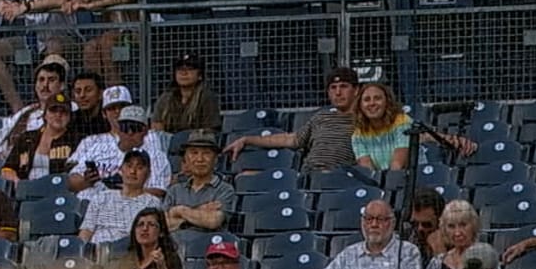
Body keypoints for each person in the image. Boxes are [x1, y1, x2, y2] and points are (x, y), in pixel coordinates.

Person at [223, 68, 358, 173]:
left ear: (356, 90)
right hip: (310, 178)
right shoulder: (321, 117)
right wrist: (247, 140)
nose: (338, 92)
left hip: (341, 178)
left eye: (344, 86)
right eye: (333, 88)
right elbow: (291, 139)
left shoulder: (363, 120)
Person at [317, 198, 427, 269]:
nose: (374, 225)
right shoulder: (348, 254)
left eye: (380, 219)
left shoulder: (407, 252)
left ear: (392, 223)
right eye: (369, 219)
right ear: (362, 222)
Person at [0, 91, 79, 183]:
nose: (58, 115)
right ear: (45, 114)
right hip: (27, 190)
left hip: (59, 191)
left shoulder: (76, 140)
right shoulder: (26, 138)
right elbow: (7, 168)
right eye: (53, 110)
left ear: (70, 117)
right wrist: (15, 179)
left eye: (64, 111)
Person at [151, 53, 219, 135]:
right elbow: (156, 127)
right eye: (179, 69)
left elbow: (210, 130)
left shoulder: (207, 97)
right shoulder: (166, 97)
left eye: (190, 69)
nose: (184, 73)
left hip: (197, 143)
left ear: (200, 75)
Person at [351, 83, 410, 172]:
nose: (372, 103)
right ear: (360, 105)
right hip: (381, 182)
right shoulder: (358, 133)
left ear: (387, 101)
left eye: (377, 98)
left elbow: (398, 164)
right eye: (367, 100)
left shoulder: (402, 121)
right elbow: (367, 168)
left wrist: (387, 184)